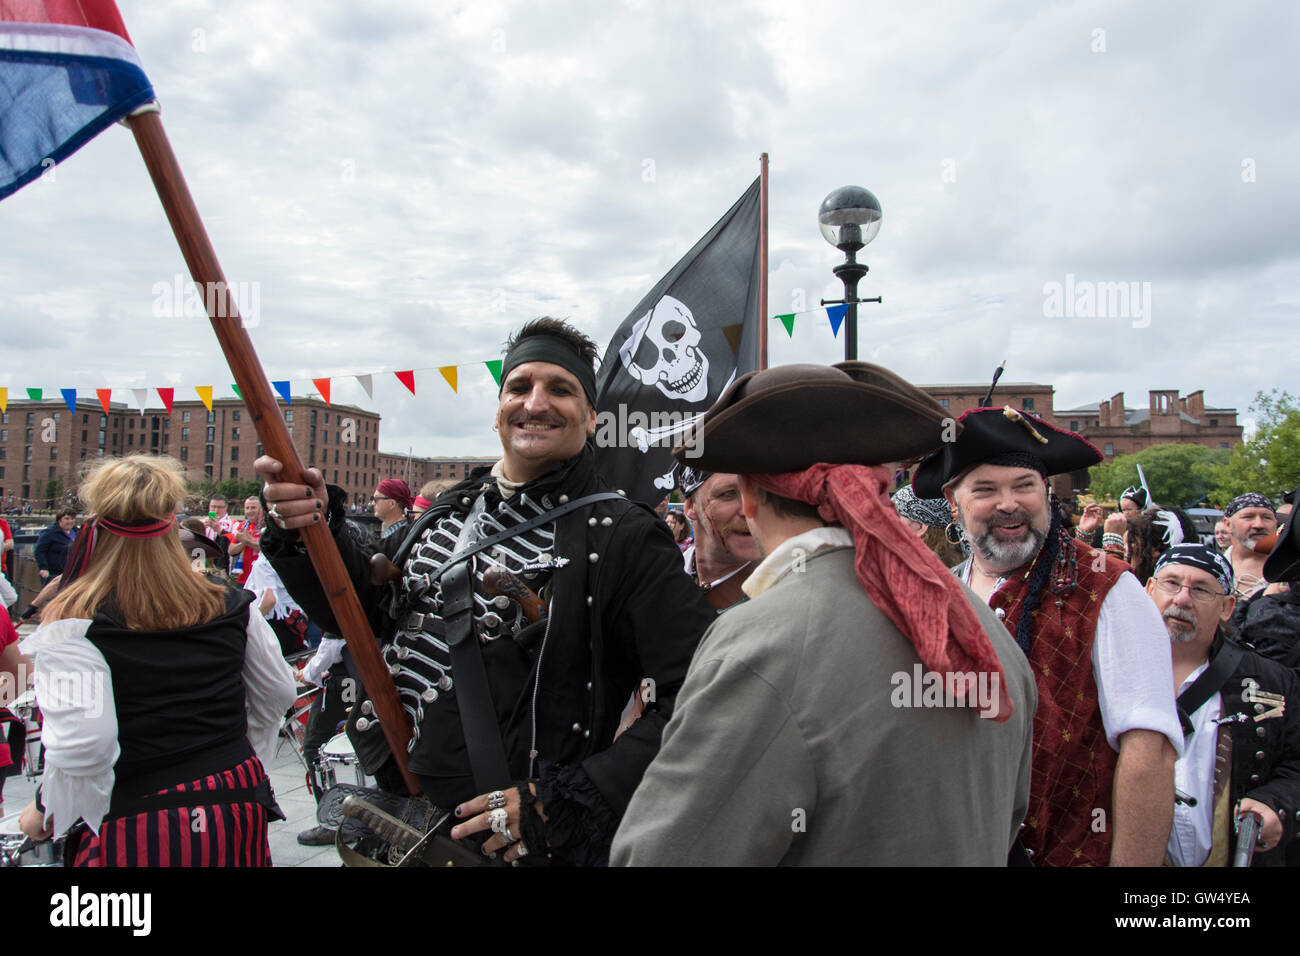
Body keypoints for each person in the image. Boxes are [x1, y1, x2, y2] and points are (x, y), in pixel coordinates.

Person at [258, 317, 713, 865]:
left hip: (522, 845)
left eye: (561, 389)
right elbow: (360, 614)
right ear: (498, 408)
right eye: (519, 387)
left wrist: (566, 800)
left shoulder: (624, 535)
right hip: (405, 819)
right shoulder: (445, 513)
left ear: (592, 417)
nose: (536, 403)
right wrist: (310, 530)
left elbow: (701, 695)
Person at [612, 363, 1036, 865]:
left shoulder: (757, 644)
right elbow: (1007, 818)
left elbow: (665, 856)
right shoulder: (984, 630)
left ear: (750, 494)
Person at [913, 405, 1182, 866]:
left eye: (1024, 486)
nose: (1009, 503)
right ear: (953, 503)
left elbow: (1149, 748)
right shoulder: (941, 592)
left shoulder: (1107, 587)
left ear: (1045, 493)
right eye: (986, 490)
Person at [16, 455, 295, 866]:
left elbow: (85, 747)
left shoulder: (73, 623)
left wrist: (43, 810)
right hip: (234, 801)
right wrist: (225, 754)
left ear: (98, 524)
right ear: (172, 523)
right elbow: (279, 691)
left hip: (139, 821)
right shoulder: (231, 602)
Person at [1144, 544, 1300, 866]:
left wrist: (1274, 803)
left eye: (1201, 590)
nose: (1182, 598)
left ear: (1228, 607)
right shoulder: (1106, 673)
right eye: (1171, 583)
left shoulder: (1272, 682)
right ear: (1149, 589)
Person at [680, 467, 759, 612]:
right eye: (729, 494)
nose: (749, 509)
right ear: (691, 506)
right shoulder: (661, 577)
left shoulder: (788, 587)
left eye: (760, 493)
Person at [1222, 493, 1279, 602]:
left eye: (1267, 518)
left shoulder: (1290, 570)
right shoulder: (1212, 569)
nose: (1259, 525)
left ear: (1275, 524)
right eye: (1248, 517)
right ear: (1228, 524)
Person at [226, 495, 264, 584]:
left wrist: (246, 540)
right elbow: (231, 551)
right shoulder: (243, 525)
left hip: (262, 578)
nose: (249, 511)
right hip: (244, 578)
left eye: (253, 508)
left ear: (261, 509)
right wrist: (243, 542)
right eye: (247, 508)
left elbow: (266, 549)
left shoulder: (266, 526)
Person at [34, 508, 77, 582]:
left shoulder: (77, 532)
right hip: (54, 574)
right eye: (67, 519)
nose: (70, 521)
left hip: (71, 573)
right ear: (59, 520)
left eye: (72, 519)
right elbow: (39, 551)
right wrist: (43, 568)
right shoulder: (49, 533)